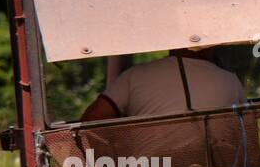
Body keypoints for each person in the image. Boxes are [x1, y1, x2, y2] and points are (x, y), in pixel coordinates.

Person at [79, 46, 245, 121]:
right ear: (211, 46)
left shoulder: (134, 75)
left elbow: (92, 118)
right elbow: (247, 132)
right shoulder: (230, 80)